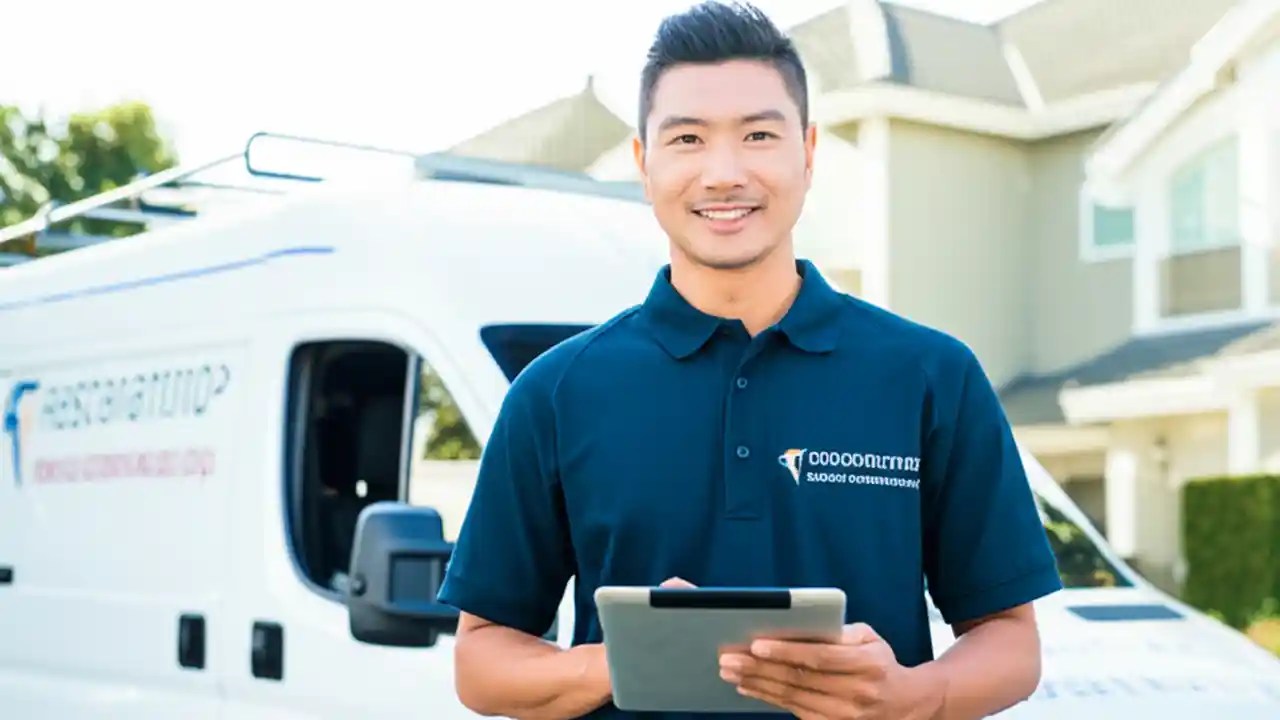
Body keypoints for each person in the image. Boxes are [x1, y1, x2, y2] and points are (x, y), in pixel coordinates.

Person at [437, 1, 1063, 718]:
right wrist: (625, 662)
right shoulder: (555, 391)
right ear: (645, 164)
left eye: (759, 134)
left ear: (808, 152)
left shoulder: (931, 376)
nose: (724, 172)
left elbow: (1011, 641)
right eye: (688, 140)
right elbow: (482, 661)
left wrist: (911, 695)